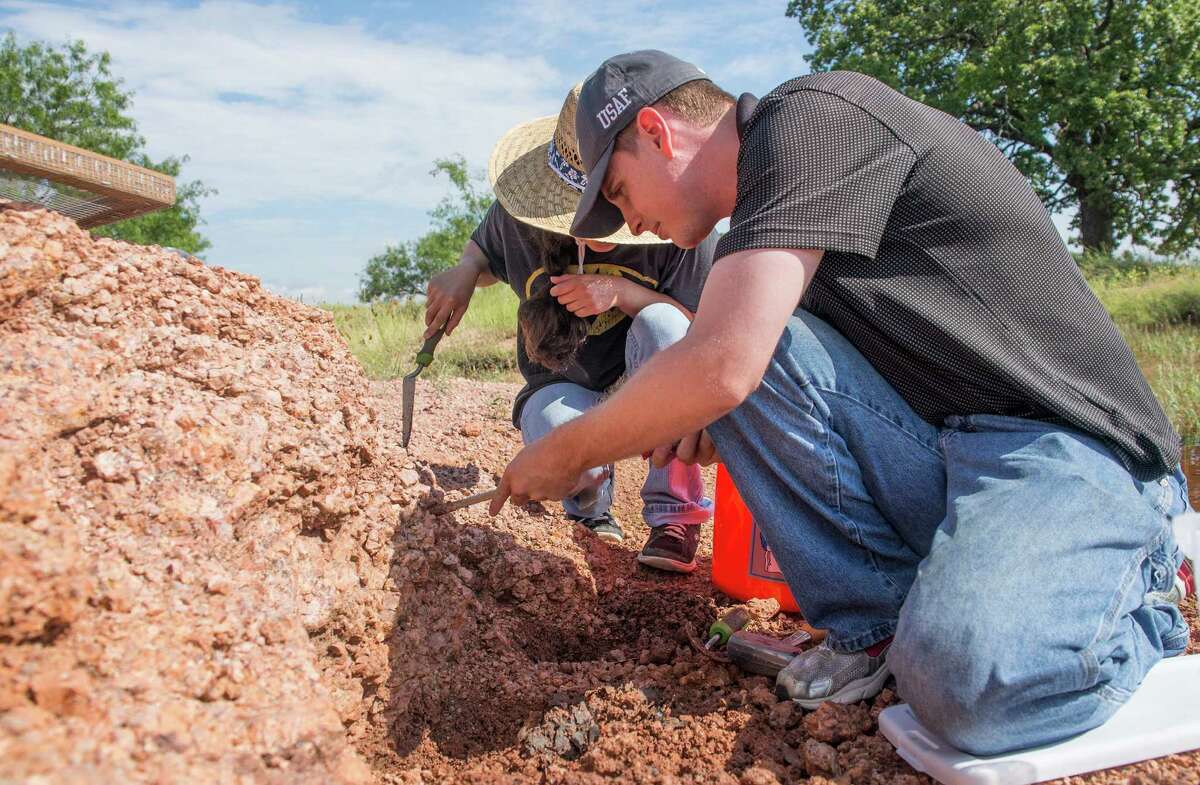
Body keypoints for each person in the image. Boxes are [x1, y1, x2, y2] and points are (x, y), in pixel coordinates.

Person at [487, 51, 1196, 754]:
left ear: (657, 131)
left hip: (1067, 447)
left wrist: (565, 450)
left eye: (616, 188)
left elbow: (723, 365)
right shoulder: (764, 224)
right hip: (952, 448)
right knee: (736, 340)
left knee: (967, 683)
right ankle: (878, 628)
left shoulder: (812, 120)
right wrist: (723, 421)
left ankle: (1140, 596)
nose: (627, 222)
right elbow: (744, 366)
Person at [425, 83, 717, 573]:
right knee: (559, 438)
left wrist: (623, 294)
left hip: (647, 374)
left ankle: (674, 514)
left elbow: (703, 337)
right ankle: (591, 512)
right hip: (564, 378)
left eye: (613, 204)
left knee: (663, 321)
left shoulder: (675, 226)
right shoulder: (521, 218)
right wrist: (464, 272)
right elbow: (483, 247)